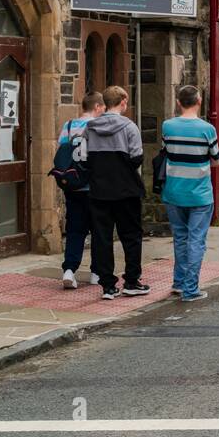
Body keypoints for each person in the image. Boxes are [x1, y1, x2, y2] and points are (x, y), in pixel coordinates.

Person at [85, 86, 148, 300]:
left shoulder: (90, 128)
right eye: (126, 101)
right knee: (131, 236)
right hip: (126, 190)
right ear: (122, 101)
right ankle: (131, 281)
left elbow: (85, 159)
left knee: (102, 238)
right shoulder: (130, 127)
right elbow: (137, 158)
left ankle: (108, 286)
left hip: (99, 190)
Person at [160, 85, 219, 302]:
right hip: (200, 194)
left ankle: (178, 282)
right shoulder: (207, 129)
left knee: (180, 238)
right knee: (196, 240)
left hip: (174, 191)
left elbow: (166, 151)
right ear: (199, 101)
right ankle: (190, 289)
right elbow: (216, 159)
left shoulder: (167, 126)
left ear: (178, 102)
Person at [58, 92, 105, 289]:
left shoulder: (68, 126)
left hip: (73, 185)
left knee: (75, 230)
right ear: (96, 107)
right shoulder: (99, 126)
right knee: (98, 230)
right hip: (95, 186)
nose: (104, 111)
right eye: (102, 108)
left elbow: (62, 150)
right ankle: (96, 272)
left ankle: (69, 270)